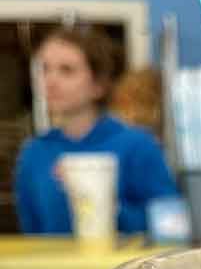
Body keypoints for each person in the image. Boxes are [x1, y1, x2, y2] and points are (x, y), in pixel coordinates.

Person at [15, 24, 178, 234]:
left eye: (67, 70)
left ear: (98, 84)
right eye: (45, 69)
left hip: (116, 266)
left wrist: (104, 204)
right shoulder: (34, 153)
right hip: (52, 267)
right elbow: (32, 235)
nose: (50, 81)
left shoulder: (138, 146)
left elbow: (171, 226)